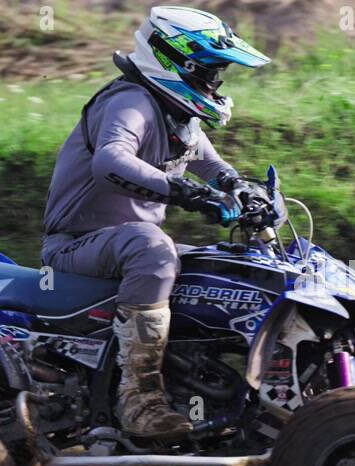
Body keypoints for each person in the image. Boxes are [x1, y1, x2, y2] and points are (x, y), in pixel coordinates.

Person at [41, 6, 270, 439]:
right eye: (210, 71)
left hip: (123, 247)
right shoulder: (131, 102)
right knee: (155, 249)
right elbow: (111, 160)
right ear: (176, 63)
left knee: (222, 267)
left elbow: (213, 167)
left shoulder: (176, 115)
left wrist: (243, 189)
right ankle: (139, 400)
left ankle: (202, 383)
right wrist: (187, 192)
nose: (216, 82)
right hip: (76, 245)